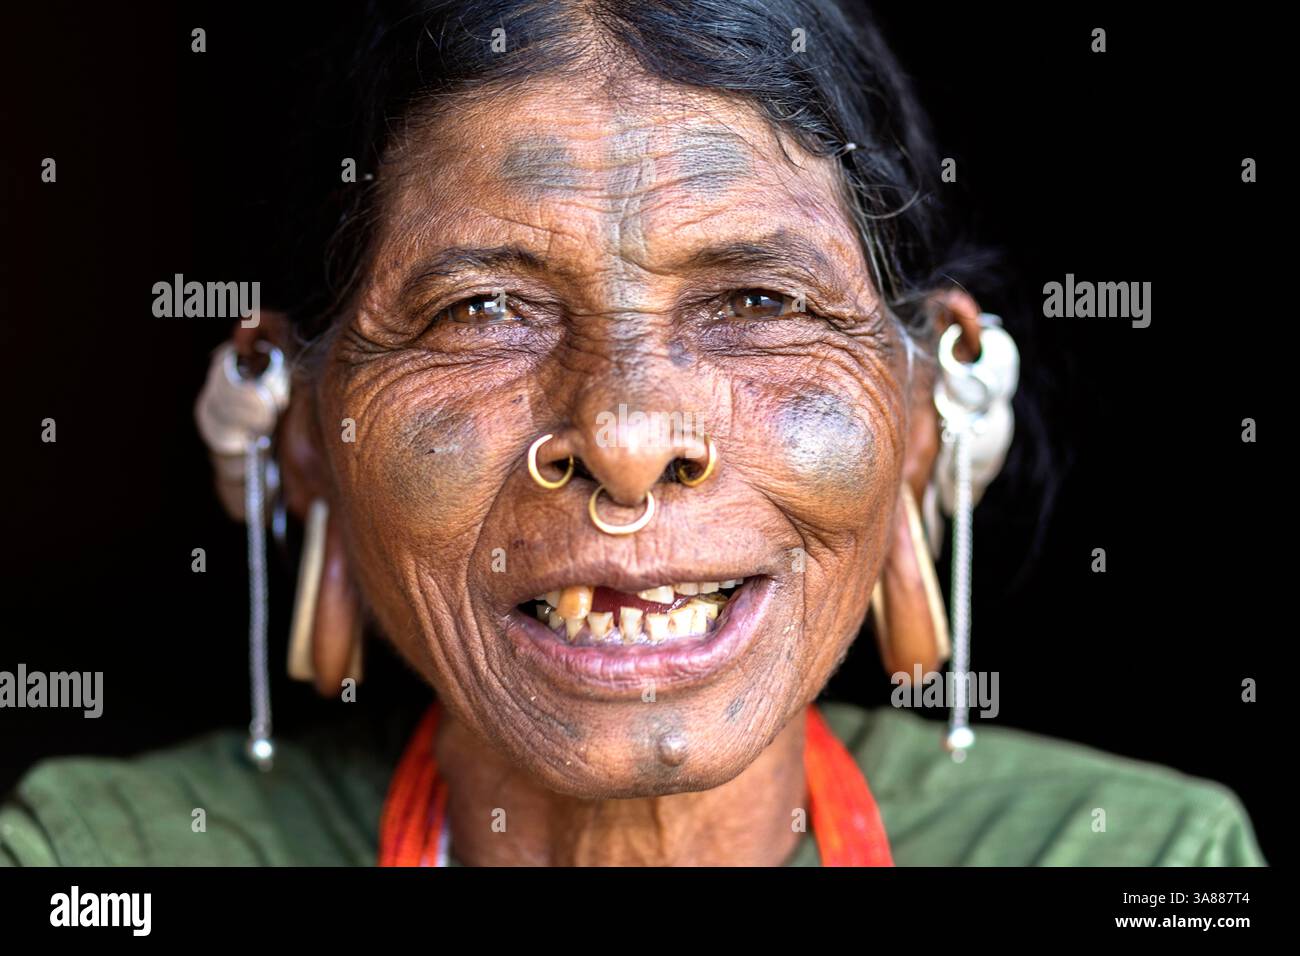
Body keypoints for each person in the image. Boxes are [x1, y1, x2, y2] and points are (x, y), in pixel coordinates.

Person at [0, 0, 1264, 867]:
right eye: (482, 309)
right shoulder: (110, 862)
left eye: (759, 303)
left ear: (929, 413)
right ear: (298, 433)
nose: (624, 435)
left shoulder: (1137, 858)